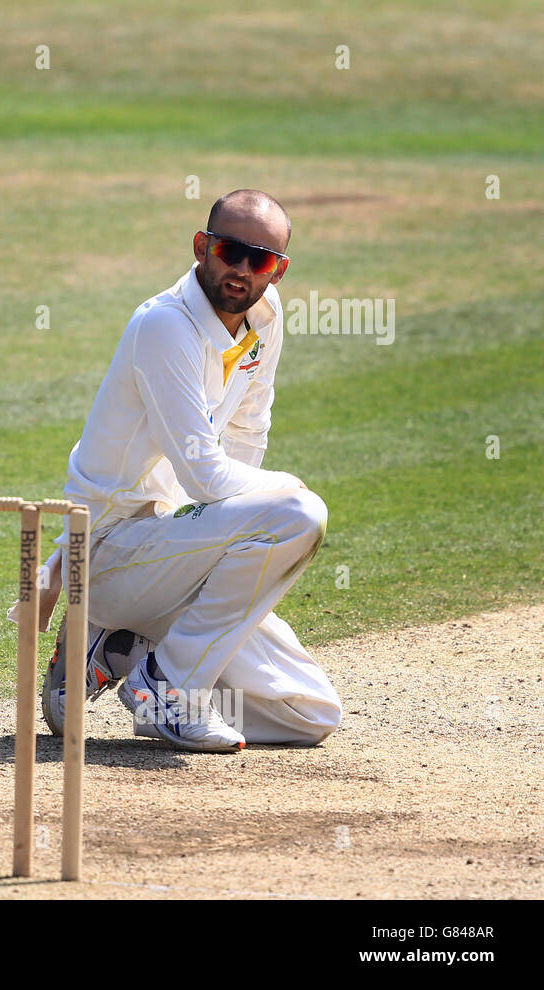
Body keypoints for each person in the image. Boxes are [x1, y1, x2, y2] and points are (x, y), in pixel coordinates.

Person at [41, 190, 340, 752]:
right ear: (203, 246)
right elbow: (205, 476)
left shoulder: (265, 320)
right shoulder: (164, 325)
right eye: (231, 251)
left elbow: (249, 432)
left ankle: (121, 647)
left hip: (179, 552)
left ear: (279, 271)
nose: (243, 270)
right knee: (299, 513)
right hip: (110, 554)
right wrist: (278, 493)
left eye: (263, 260)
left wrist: (231, 525)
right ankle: (166, 683)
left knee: (313, 714)